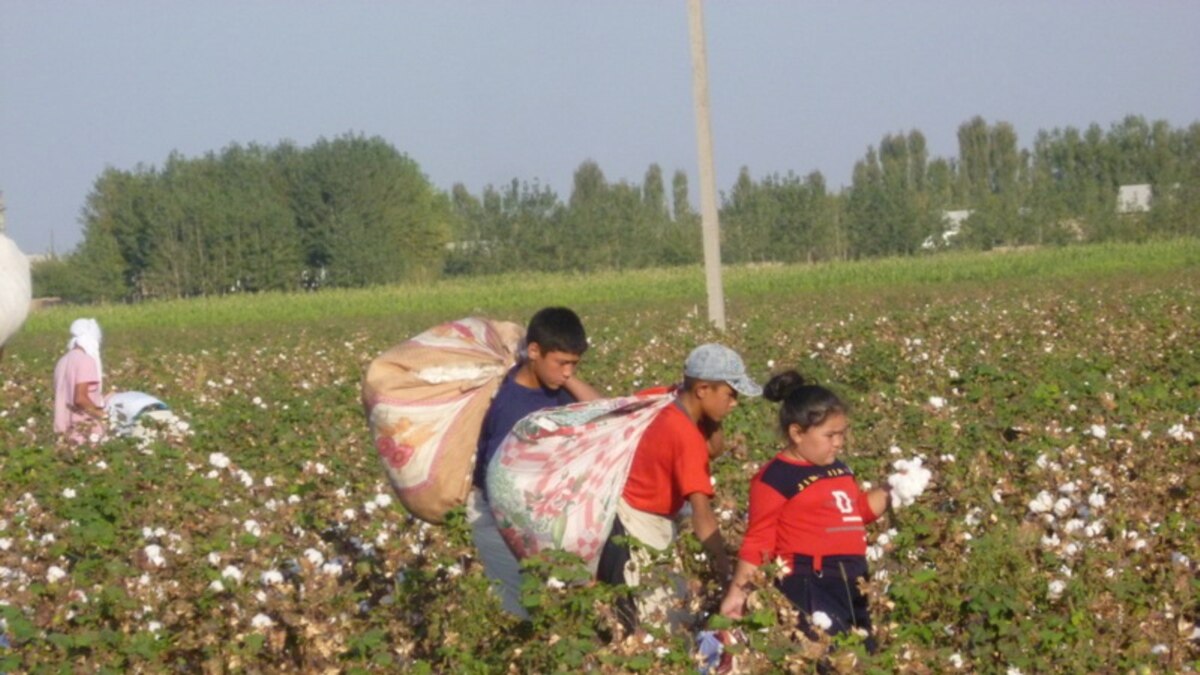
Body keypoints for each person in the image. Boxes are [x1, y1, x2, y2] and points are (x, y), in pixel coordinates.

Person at [719, 370, 889, 649]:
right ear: (797, 433)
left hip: (853, 578)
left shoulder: (838, 468)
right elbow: (759, 540)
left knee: (863, 655)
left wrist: (890, 490)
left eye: (842, 434)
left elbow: (856, 512)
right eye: (830, 435)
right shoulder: (775, 477)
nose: (838, 442)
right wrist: (738, 592)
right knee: (826, 657)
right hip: (810, 581)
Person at [596, 343, 761, 629]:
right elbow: (702, 514)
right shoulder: (685, 437)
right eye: (730, 394)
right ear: (702, 390)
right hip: (635, 526)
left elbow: (715, 447)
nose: (734, 403)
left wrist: (714, 416)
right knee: (654, 624)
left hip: (616, 511)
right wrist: (725, 573)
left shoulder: (663, 396)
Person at [468, 307, 599, 618]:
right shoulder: (510, 406)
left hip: (543, 510)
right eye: (562, 363)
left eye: (574, 364)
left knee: (566, 602)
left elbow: (602, 412)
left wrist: (567, 378)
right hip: (498, 516)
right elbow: (500, 484)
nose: (568, 372)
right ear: (534, 351)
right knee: (522, 607)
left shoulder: (557, 388)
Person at [53, 318, 107, 445]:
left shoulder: (62, 361)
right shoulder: (85, 361)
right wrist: (102, 415)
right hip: (82, 435)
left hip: (62, 433)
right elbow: (80, 398)